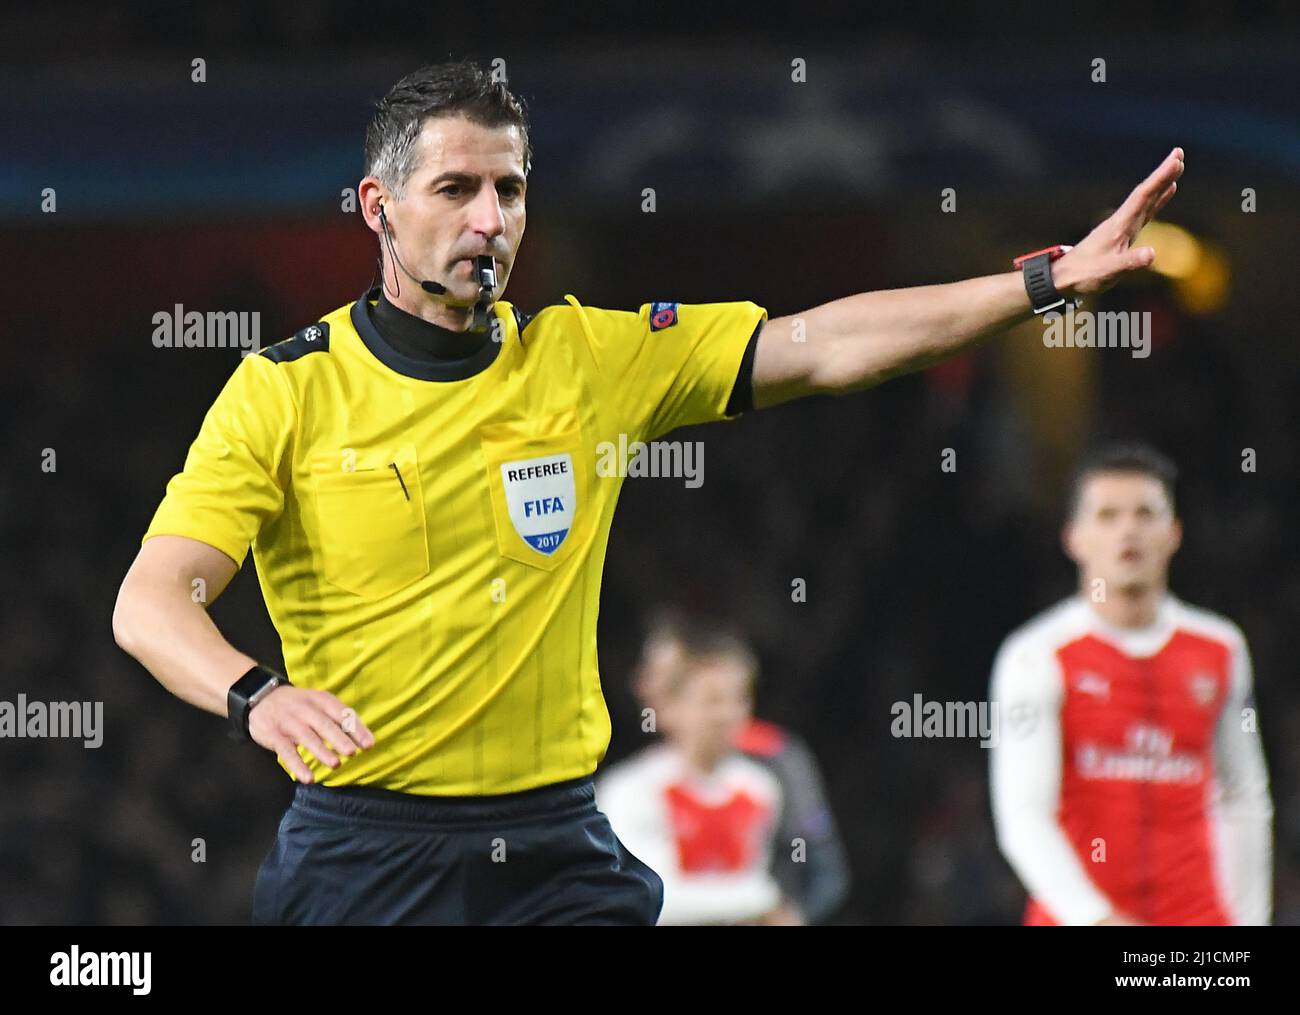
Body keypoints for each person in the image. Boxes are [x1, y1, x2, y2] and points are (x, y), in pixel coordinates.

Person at [111, 57, 1186, 925]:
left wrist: (1041, 281)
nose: (489, 219)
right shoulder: (284, 391)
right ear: (377, 208)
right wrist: (258, 696)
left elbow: (822, 345)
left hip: (553, 846)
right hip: (365, 847)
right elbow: (153, 601)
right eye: (455, 190)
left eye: (510, 189)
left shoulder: (588, 356)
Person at [989, 443, 1273, 925]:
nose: (1128, 530)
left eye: (1146, 513)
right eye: (1107, 515)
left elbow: (1243, 795)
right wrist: (1097, 918)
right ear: (1074, 537)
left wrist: (1248, 925)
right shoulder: (1036, 657)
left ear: (1174, 533)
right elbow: (1023, 816)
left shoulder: (1220, 648)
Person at [632, 608, 850, 923]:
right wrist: (757, 898)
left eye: (733, 698)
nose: (647, 686)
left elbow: (822, 867)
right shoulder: (632, 783)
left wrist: (790, 915)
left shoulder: (773, 765)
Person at [598, 628, 786, 924]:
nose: (726, 714)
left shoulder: (760, 789)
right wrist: (763, 898)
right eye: (712, 700)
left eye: (739, 699)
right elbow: (654, 899)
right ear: (670, 707)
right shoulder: (631, 791)